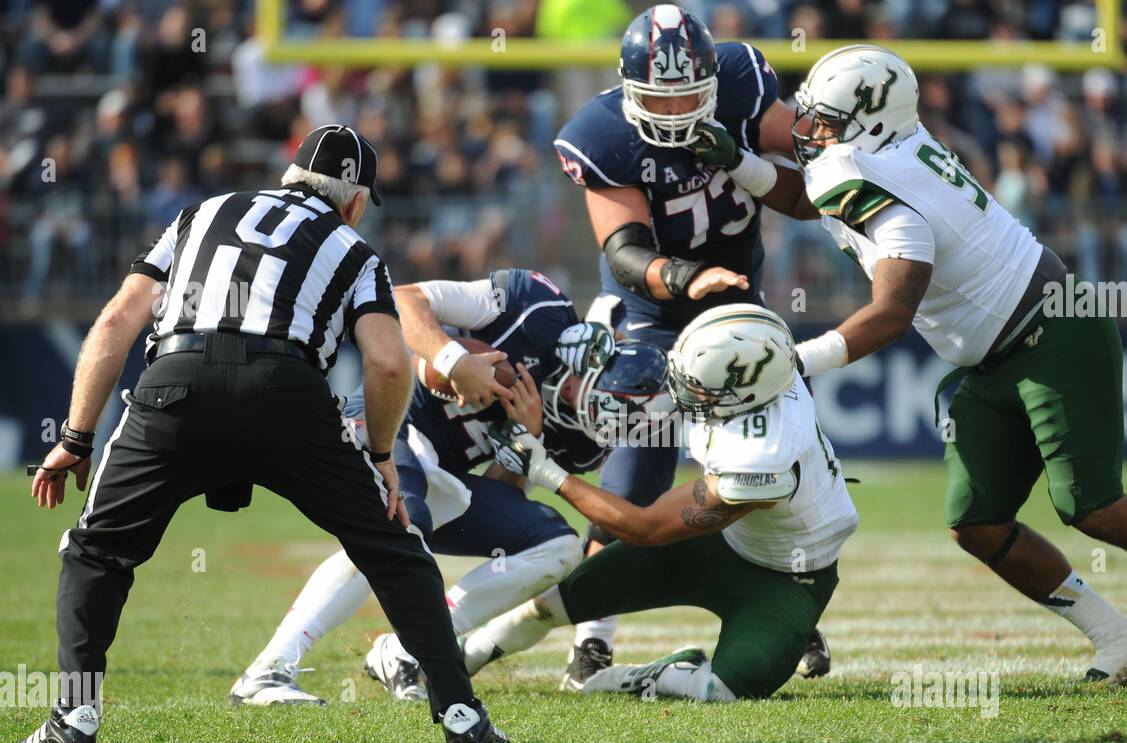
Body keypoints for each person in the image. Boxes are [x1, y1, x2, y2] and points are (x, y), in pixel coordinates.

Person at [728, 45, 1127, 685]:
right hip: (991, 357)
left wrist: (795, 360)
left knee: (1090, 504)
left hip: (1054, 331)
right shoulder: (876, 153)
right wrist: (737, 162)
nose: (809, 128)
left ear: (867, 123)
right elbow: (810, 199)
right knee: (976, 521)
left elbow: (890, 313)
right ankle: (1116, 635)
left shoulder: (893, 192)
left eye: (826, 119)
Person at [21, 124, 507, 743]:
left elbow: (117, 318)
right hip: (287, 396)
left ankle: (73, 720)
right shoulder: (353, 250)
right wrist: (382, 456)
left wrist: (77, 437)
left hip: (175, 387)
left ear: (290, 174)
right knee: (393, 547)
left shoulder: (201, 214)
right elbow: (388, 363)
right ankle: (461, 718)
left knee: (96, 552)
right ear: (355, 199)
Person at [229, 269, 670, 703]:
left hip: (443, 475)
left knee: (557, 547)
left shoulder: (581, 440)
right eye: (585, 395)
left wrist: (525, 442)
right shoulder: (535, 306)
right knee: (398, 522)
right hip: (389, 425)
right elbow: (404, 299)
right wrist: (454, 362)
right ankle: (270, 669)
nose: (581, 410)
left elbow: (505, 493)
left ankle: (405, 650)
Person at [551, 4, 831, 684]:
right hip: (653, 308)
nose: (674, 107)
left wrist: (754, 159)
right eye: (657, 93)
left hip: (737, 301)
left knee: (770, 455)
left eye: (686, 90)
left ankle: (791, 608)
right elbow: (624, 251)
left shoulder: (742, 80)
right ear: (627, 88)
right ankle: (592, 636)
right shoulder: (600, 131)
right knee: (640, 458)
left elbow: (813, 187)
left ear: (711, 79)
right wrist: (686, 276)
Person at [471, 305, 859, 701]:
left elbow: (647, 527)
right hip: (727, 539)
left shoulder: (763, 453)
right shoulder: (767, 372)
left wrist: (544, 469)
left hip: (790, 577)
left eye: (698, 387)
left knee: (728, 686)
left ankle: (656, 676)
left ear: (740, 396)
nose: (684, 389)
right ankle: (460, 656)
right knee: (560, 599)